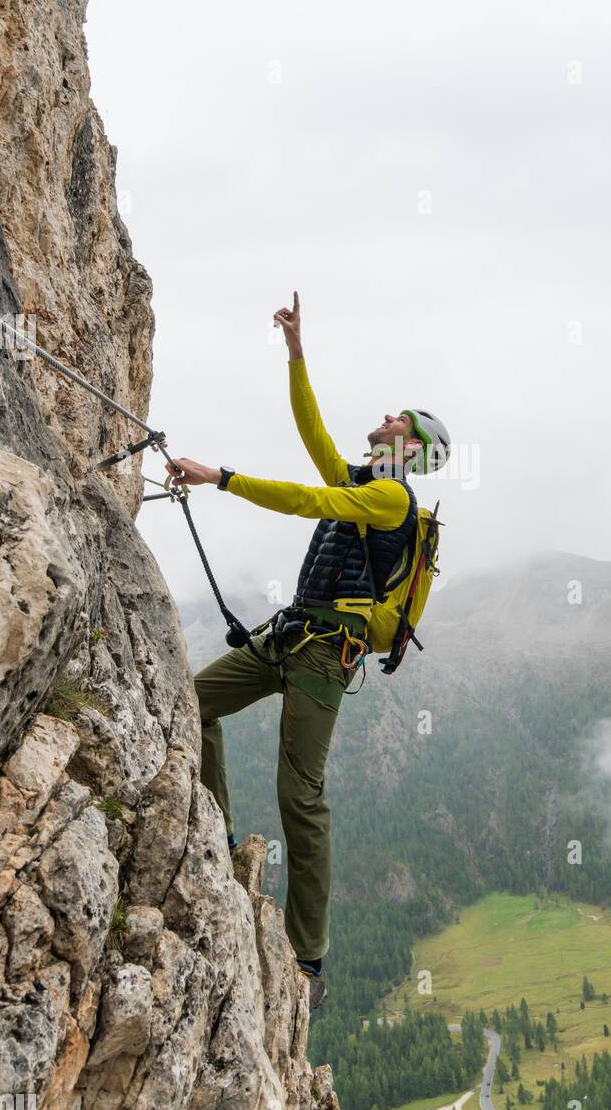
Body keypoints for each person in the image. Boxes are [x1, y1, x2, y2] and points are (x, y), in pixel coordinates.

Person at [165, 293, 450, 1011]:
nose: (387, 417)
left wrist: (219, 477)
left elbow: (301, 499)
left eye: (399, 419)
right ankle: (218, 833)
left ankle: (310, 960)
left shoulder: (391, 501)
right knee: (193, 700)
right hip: (289, 635)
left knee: (301, 796)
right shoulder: (361, 481)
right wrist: (296, 354)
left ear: (409, 447)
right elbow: (313, 438)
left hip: (325, 655)